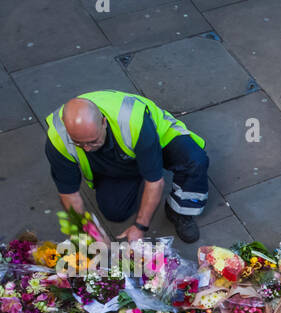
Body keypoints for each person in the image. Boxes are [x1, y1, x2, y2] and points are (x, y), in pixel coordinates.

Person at [44, 91, 209, 243]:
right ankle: (137, 172)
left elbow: (155, 182)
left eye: (93, 141)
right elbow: (68, 193)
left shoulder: (134, 122)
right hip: (121, 160)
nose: (87, 148)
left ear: (104, 122)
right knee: (114, 211)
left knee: (195, 161)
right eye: (79, 143)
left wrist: (140, 227)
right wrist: (88, 231)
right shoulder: (58, 139)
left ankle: (180, 212)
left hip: (157, 138)